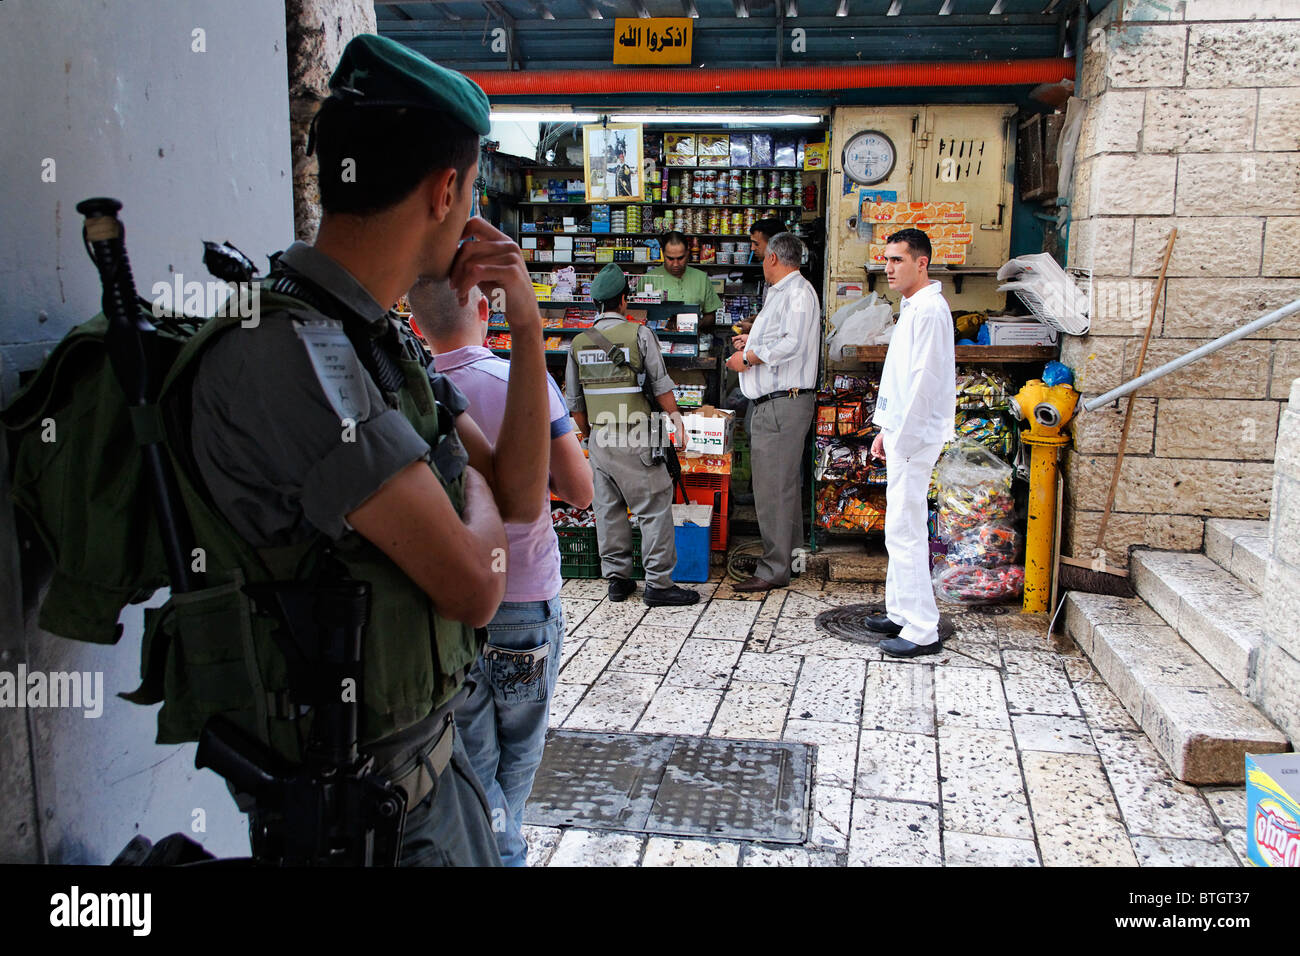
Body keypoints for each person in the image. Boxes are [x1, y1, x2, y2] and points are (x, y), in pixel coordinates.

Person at [188, 34, 553, 865]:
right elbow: (476, 584)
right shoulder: (293, 354)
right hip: (365, 815)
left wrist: (526, 323)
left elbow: (522, 500)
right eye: (469, 195)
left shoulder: (374, 335)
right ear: (447, 188)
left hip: (427, 767)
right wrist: (468, 490)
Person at [411, 278, 592, 867]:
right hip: (524, 601)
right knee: (520, 754)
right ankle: (506, 849)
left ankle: (496, 846)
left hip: (449, 604)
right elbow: (579, 490)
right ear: (486, 310)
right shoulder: (523, 381)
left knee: (468, 758)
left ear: (415, 325)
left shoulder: (411, 389)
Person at [566, 263, 700, 607]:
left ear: (597, 303)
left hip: (600, 438)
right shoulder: (640, 334)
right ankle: (658, 585)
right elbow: (660, 383)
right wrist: (676, 419)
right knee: (653, 509)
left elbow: (575, 403)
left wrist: (590, 436)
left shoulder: (578, 343)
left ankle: (617, 581)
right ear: (623, 300)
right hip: (637, 434)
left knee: (608, 510)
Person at [867, 227, 956, 657]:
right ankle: (900, 611)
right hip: (904, 431)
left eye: (897, 259)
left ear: (922, 263)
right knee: (897, 527)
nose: (888, 267)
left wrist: (902, 436)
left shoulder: (930, 310)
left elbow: (925, 383)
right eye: (886, 259)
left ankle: (922, 627)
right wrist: (886, 428)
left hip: (916, 436)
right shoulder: (913, 306)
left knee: (906, 530)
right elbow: (902, 381)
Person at [725, 232, 821, 592]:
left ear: (774, 259)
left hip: (783, 403)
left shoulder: (796, 293)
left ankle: (773, 569)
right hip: (777, 401)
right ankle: (790, 560)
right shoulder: (783, 293)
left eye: (761, 253)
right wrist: (752, 339)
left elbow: (792, 344)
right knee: (783, 489)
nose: (759, 258)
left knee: (772, 490)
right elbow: (782, 338)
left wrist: (747, 357)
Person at [644, 230, 722, 328]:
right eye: (670, 259)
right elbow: (637, 315)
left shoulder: (701, 278)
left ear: (687, 253)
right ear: (663, 254)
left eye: (680, 258)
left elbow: (711, 316)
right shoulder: (648, 279)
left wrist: (694, 326)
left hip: (692, 338)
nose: (676, 264)